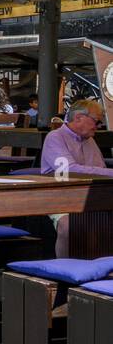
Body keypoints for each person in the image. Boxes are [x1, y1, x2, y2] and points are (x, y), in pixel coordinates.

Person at [41, 99, 112, 255]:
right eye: (96, 120)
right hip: (61, 197)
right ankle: (64, 272)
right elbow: (69, 170)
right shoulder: (55, 137)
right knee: (68, 225)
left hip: (90, 196)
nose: (99, 126)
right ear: (79, 117)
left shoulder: (90, 140)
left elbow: (99, 170)